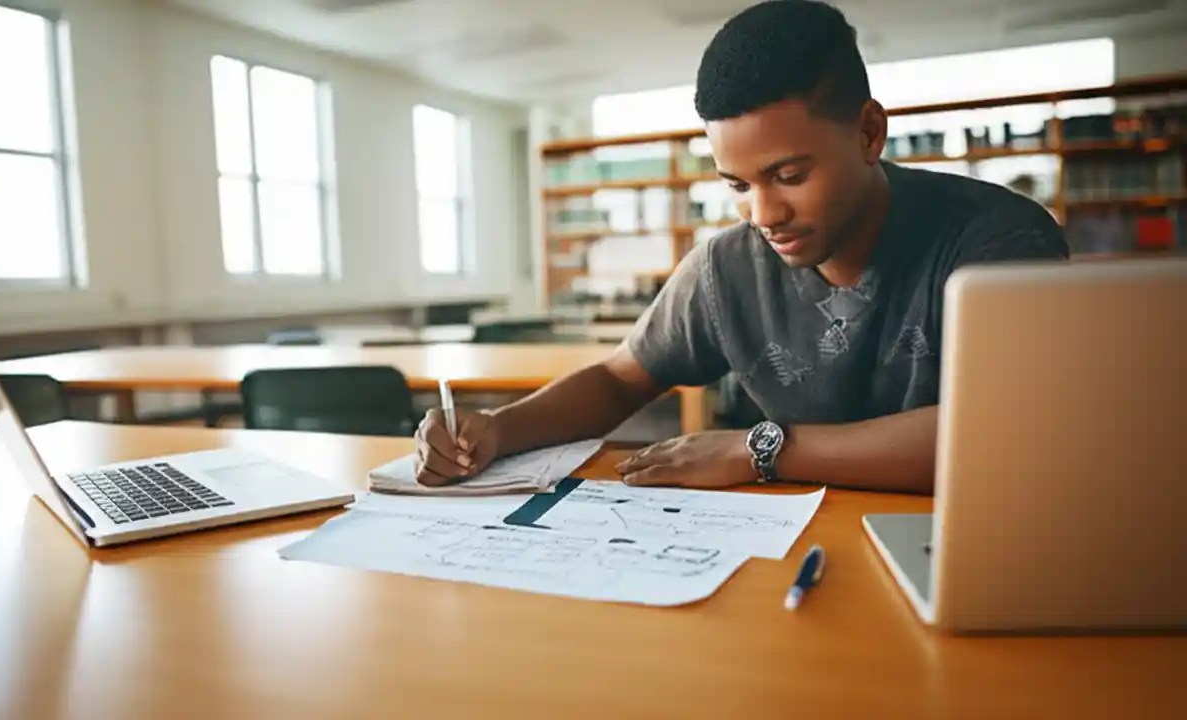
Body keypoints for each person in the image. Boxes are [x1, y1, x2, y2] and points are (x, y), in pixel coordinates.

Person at [414, 0, 1067, 494]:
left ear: (869, 133)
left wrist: (761, 448)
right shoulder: (727, 268)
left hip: (960, 536)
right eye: (737, 185)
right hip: (797, 551)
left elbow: (1004, 433)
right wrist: (500, 428)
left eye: (789, 175)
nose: (765, 214)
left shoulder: (997, 240)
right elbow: (617, 380)